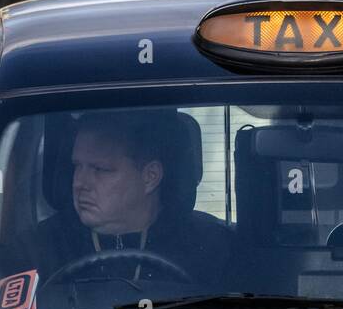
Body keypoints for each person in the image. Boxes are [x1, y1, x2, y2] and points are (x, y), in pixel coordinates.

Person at [38, 111, 232, 287]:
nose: (80, 183)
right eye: (77, 166)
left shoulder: (214, 250)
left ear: (150, 177)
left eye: (101, 170)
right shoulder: (39, 250)